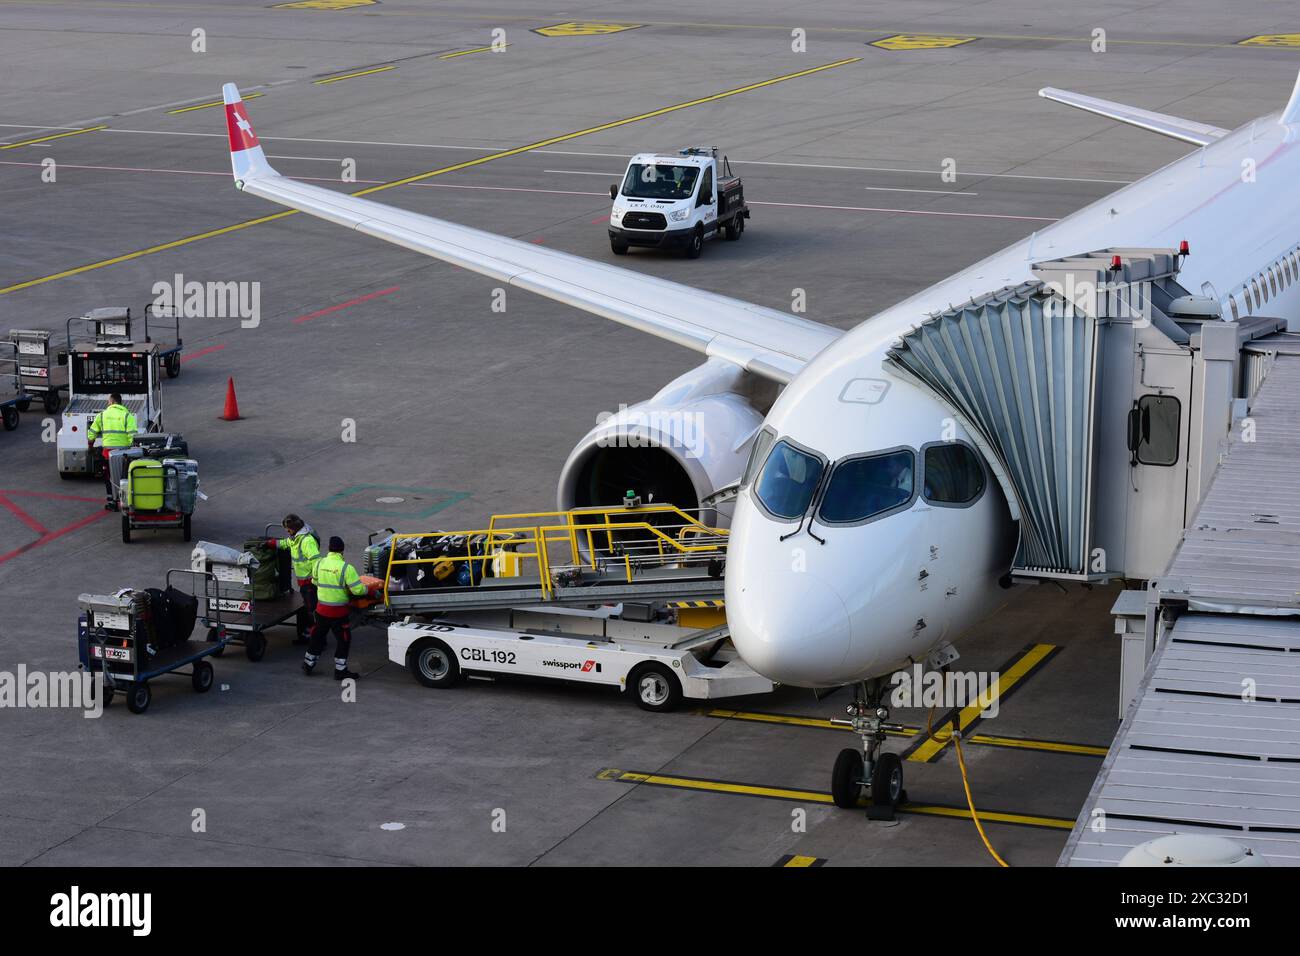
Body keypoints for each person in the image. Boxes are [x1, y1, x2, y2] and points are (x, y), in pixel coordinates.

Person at [303, 536, 368, 680]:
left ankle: (308, 664)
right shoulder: (346, 568)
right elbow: (358, 591)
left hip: (321, 611)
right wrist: (368, 590)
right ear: (342, 551)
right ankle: (340, 670)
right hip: (338, 614)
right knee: (344, 640)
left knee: (317, 637)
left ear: (329, 549)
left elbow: (314, 581)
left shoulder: (319, 564)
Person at [268, 514, 319, 644]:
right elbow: (287, 543)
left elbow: (316, 560)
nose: (287, 531)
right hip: (304, 581)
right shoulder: (295, 537)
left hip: (309, 581)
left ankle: (317, 640)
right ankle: (306, 636)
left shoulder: (306, 540)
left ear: (294, 527)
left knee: (311, 610)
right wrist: (273, 543)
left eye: (288, 529)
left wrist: (315, 578)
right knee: (307, 609)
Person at [86, 392, 137, 510]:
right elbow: (132, 436)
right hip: (124, 453)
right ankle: (126, 501)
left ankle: (112, 502)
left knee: (109, 477)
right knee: (124, 477)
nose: (107, 403)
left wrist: (90, 446)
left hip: (107, 453)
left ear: (113, 402)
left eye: (108, 401)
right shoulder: (127, 415)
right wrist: (131, 448)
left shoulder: (102, 415)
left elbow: (92, 433)